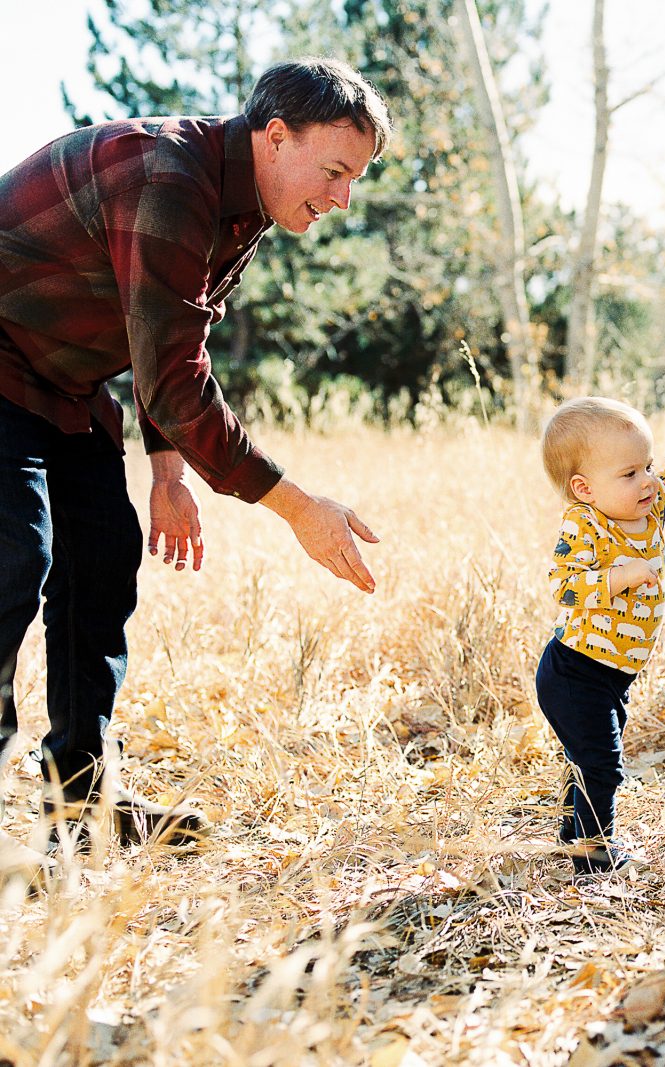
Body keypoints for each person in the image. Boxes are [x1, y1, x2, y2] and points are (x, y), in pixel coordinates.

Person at [0, 57, 393, 845]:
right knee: (15, 555)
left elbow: (173, 338)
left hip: (66, 384)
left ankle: (81, 810)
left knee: (104, 557)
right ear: (275, 136)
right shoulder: (168, 178)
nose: (342, 198)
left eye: (355, 180)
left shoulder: (241, 204)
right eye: (335, 171)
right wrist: (297, 508)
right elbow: (174, 376)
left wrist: (168, 470)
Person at [535, 386, 665, 876]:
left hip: (614, 675)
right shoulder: (585, 526)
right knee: (603, 762)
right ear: (585, 489)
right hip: (574, 670)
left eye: (646, 465)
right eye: (629, 474)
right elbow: (564, 587)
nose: (647, 481)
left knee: (586, 757)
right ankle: (595, 853)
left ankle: (572, 834)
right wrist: (617, 577)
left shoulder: (651, 506)